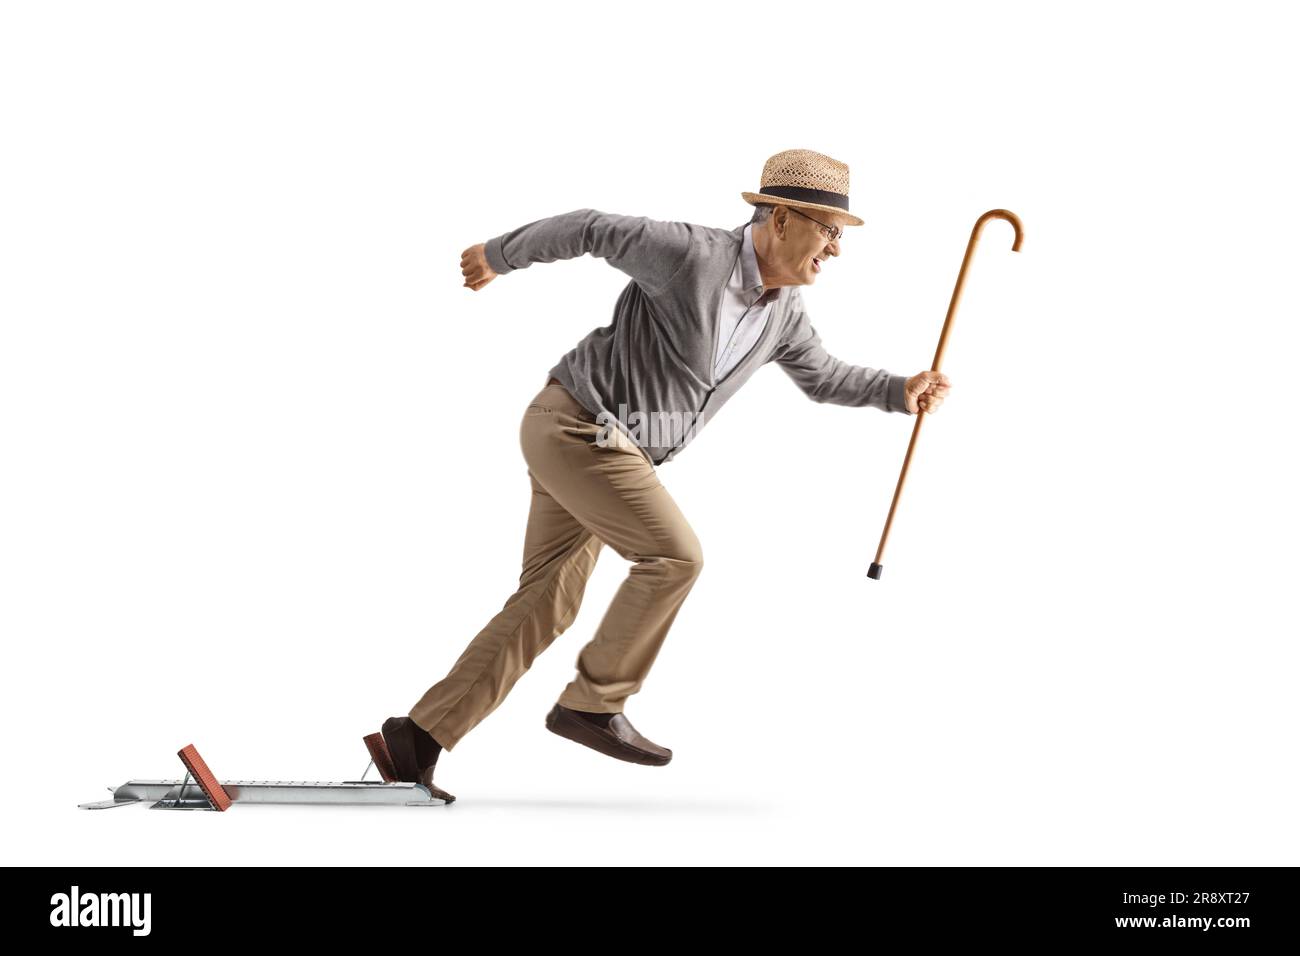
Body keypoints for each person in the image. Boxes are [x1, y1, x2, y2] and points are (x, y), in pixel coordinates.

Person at [379, 149, 952, 802]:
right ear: (783, 219)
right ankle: (594, 704)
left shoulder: (783, 314)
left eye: (840, 235)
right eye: (828, 230)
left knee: (546, 603)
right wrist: (499, 254)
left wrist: (900, 389)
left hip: (604, 448)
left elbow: (824, 376)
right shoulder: (692, 255)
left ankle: (416, 738)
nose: (836, 249)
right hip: (581, 427)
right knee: (675, 556)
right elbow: (592, 226)